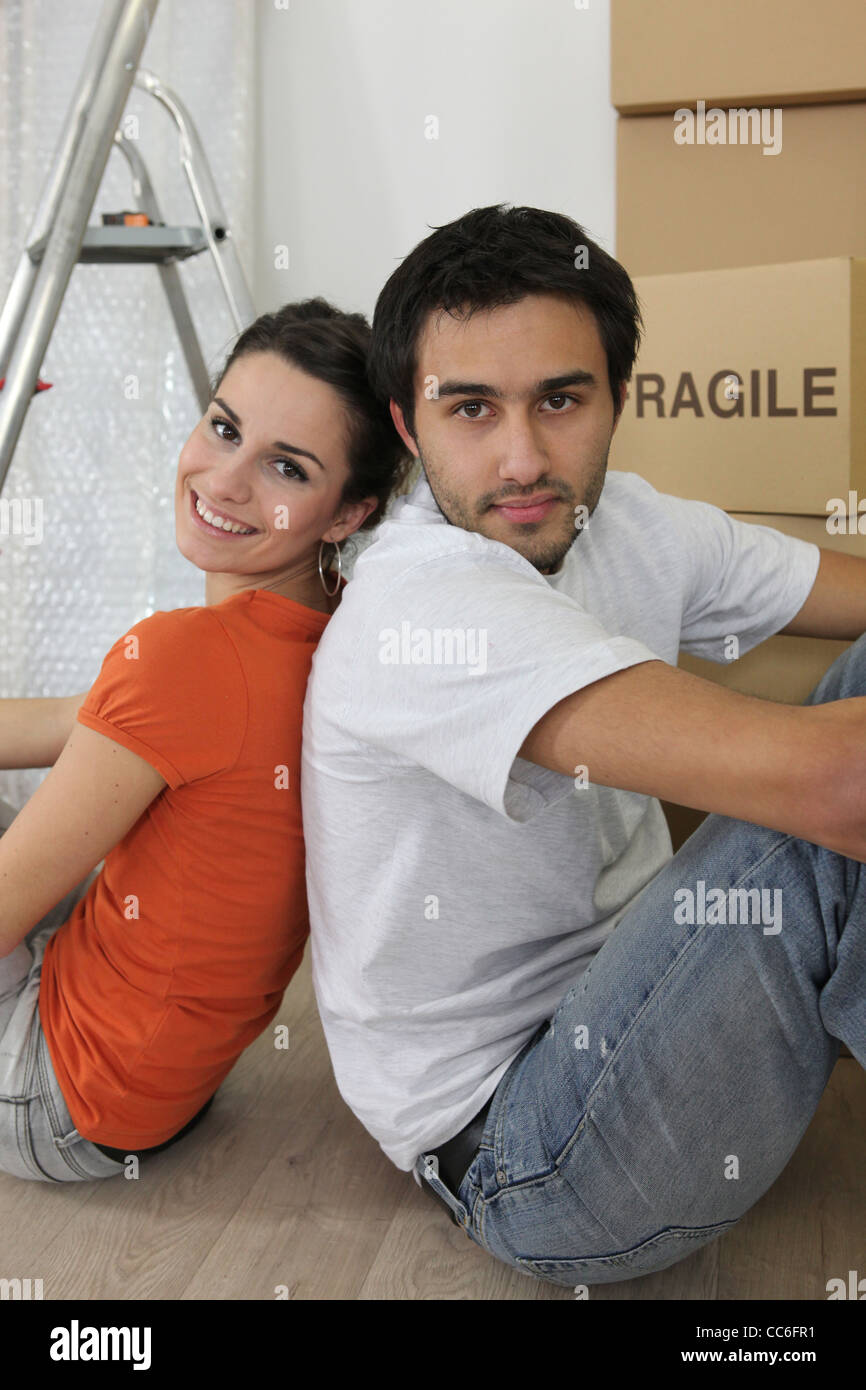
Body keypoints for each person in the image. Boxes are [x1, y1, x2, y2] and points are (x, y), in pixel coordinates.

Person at [300, 205, 866, 1290]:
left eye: (560, 400)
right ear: (408, 427)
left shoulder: (631, 523)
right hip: (532, 1155)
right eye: (470, 409)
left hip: (643, 994)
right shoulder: (424, 610)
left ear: (616, 398)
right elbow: (837, 787)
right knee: (821, 797)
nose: (521, 459)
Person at [0, 298, 408, 1182]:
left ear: (347, 514)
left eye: (286, 469)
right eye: (224, 428)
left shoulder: (186, 658)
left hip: (52, 1097)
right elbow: (71, 723)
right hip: (158, 1091)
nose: (223, 482)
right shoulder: (326, 636)